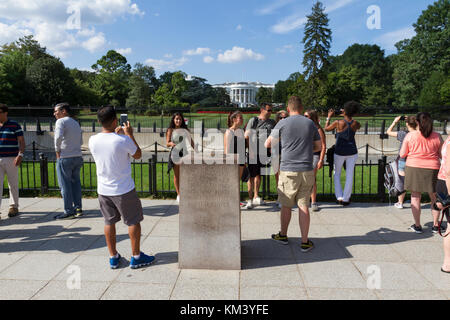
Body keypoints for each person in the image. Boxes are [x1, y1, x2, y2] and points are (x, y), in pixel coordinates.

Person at [89, 106, 155, 270]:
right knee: (133, 221)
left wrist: (117, 134)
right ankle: (136, 256)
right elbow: (138, 154)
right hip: (123, 189)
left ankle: (113, 257)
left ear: (99, 121)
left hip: (103, 189)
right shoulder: (122, 140)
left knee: (109, 222)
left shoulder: (93, 140)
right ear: (115, 121)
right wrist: (129, 134)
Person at [265, 96, 321, 252]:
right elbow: (318, 146)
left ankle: (283, 235)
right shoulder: (310, 123)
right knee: (304, 205)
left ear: (288, 109)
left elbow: (267, 144)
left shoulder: (282, 123)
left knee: (286, 204)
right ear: (301, 108)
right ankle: (304, 241)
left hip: (288, 169)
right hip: (306, 169)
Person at [399, 112, 443, 234]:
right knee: (434, 197)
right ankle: (435, 225)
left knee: (415, 196)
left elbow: (402, 154)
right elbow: (442, 154)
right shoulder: (437, 136)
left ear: (417, 122)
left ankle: (417, 225)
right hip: (433, 168)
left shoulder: (410, 136)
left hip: (414, 167)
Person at [325, 101, 361, 206]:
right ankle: (346, 198)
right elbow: (357, 127)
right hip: (352, 151)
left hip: (340, 151)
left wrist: (329, 117)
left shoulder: (338, 122)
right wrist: (346, 114)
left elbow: (326, 128)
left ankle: (339, 196)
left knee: (337, 174)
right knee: (349, 175)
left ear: (345, 110)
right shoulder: (356, 123)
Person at [53, 103, 84, 220]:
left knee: (65, 185)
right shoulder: (75, 122)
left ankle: (68, 210)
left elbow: (58, 137)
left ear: (64, 111)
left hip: (65, 156)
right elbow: (80, 141)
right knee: (76, 183)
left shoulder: (61, 122)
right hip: (77, 156)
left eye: (56, 111)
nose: (54, 114)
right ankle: (78, 208)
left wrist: (57, 150)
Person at [244, 103, 276, 209]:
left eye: (271, 110)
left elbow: (274, 136)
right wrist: (251, 149)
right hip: (254, 151)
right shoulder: (254, 120)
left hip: (264, 152)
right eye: (269, 110)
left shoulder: (272, 122)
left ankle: (256, 195)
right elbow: (247, 136)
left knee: (258, 174)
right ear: (262, 110)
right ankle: (250, 198)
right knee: (251, 176)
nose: (271, 112)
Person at [386, 115, 417, 209]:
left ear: (407, 123)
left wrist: (395, 122)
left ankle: (400, 202)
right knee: (413, 180)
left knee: (401, 180)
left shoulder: (403, 134)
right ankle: (415, 200)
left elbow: (388, 132)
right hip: (414, 158)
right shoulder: (419, 134)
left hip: (403, 158)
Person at [0, 104, 25, 220]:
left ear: (6, 113)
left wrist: (20, 154)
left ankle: (13, 206)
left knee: (13, 184)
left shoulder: (14, 125)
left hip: (11, 158)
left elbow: (21, 141)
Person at [166, 113, 194, 204]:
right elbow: (167, 142)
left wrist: (197, 150)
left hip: (184, 153)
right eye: (177, 119)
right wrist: (172, 144)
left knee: (185, 175)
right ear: (173, 120)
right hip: (175, 153)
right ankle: (179, 194)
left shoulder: (185, 130)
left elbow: (191, 142)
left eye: (180, 119)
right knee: (177, 175)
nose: (178, 121)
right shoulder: (170, 130)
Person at [304, 109, 326, 212]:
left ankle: (313, 201)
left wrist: (321, 159)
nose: (304, 118)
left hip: (314, 156)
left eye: (306, 116)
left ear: (312, 117)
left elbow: (323, 146)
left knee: (311, 178)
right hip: (304, 155)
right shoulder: (305, 127)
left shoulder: (318, 129)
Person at [436, 127, 450, 273]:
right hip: (447, 183)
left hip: (443, 182)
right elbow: (449, 171)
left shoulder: (447, 141)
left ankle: (447, 263)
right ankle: (447, 264)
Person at [224, 111, 246, 179]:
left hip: (241, 161)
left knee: (237, 183)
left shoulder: (241, 131)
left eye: (242, 118)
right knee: (232, 182)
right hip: (232, 162)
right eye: (240, 118)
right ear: (234, 120)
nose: (242, 120)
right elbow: (227, 151)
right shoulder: (229, 132)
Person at [274, 111, 288, 209]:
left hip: (287, 155)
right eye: (280, 117)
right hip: (276, 154)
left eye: (285, 117)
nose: (283, 119)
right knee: (278, 178)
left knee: (286, 177)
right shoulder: (275, 128)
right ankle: (280, 198)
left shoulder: (290, 128)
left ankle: (286, 199)